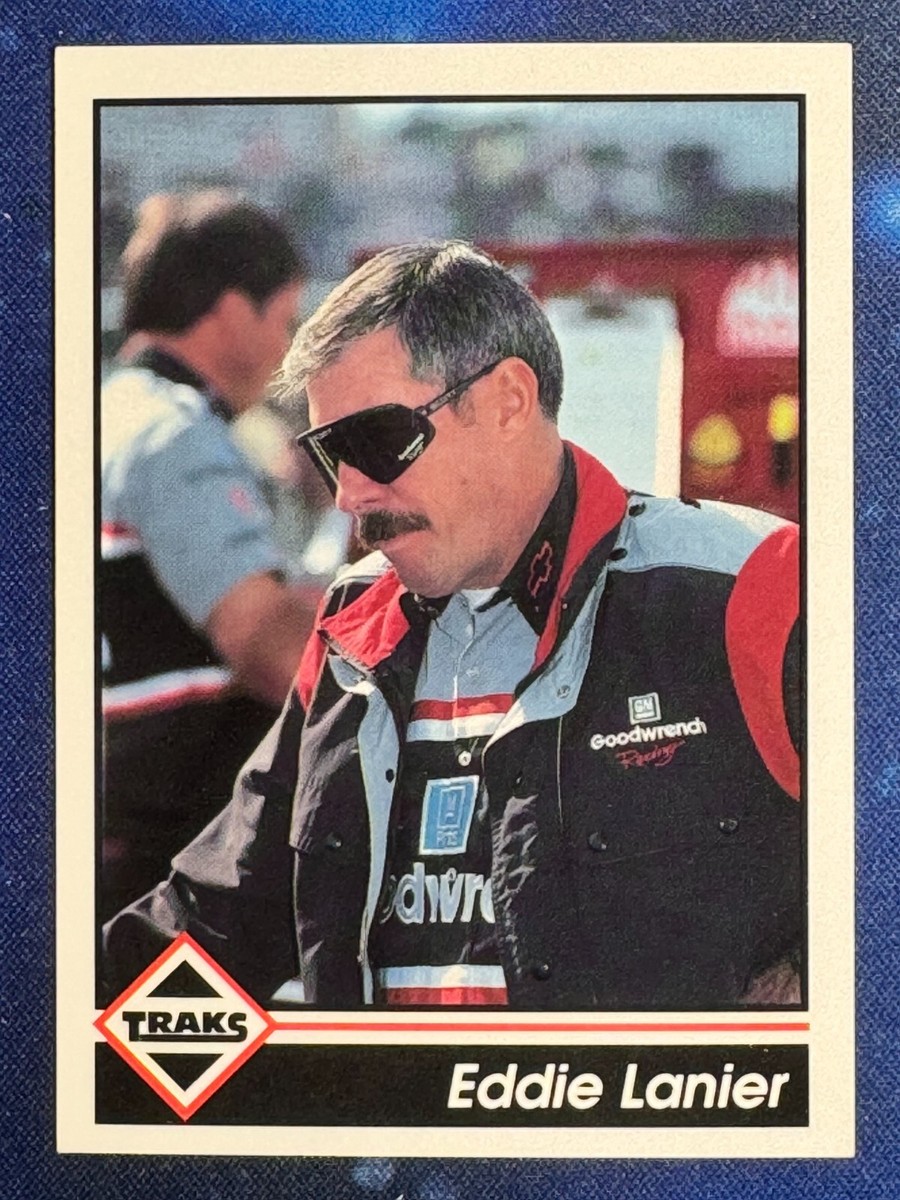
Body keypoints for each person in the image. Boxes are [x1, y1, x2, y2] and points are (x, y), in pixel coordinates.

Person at [104, 240, 802, 1009]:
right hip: (395, 1092)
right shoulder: (353, 627)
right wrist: (60, 1035)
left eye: (375, 442)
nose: (350, 496)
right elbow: (216, 925)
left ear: (508, 400)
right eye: (331, 456)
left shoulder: (747, 585)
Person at [100, 191, 323, 918]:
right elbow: (272, 651)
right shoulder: (174, 431)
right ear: (231, 311)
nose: (288, 350)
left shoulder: (113, 410)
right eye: (285, 321)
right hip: (158, 850)